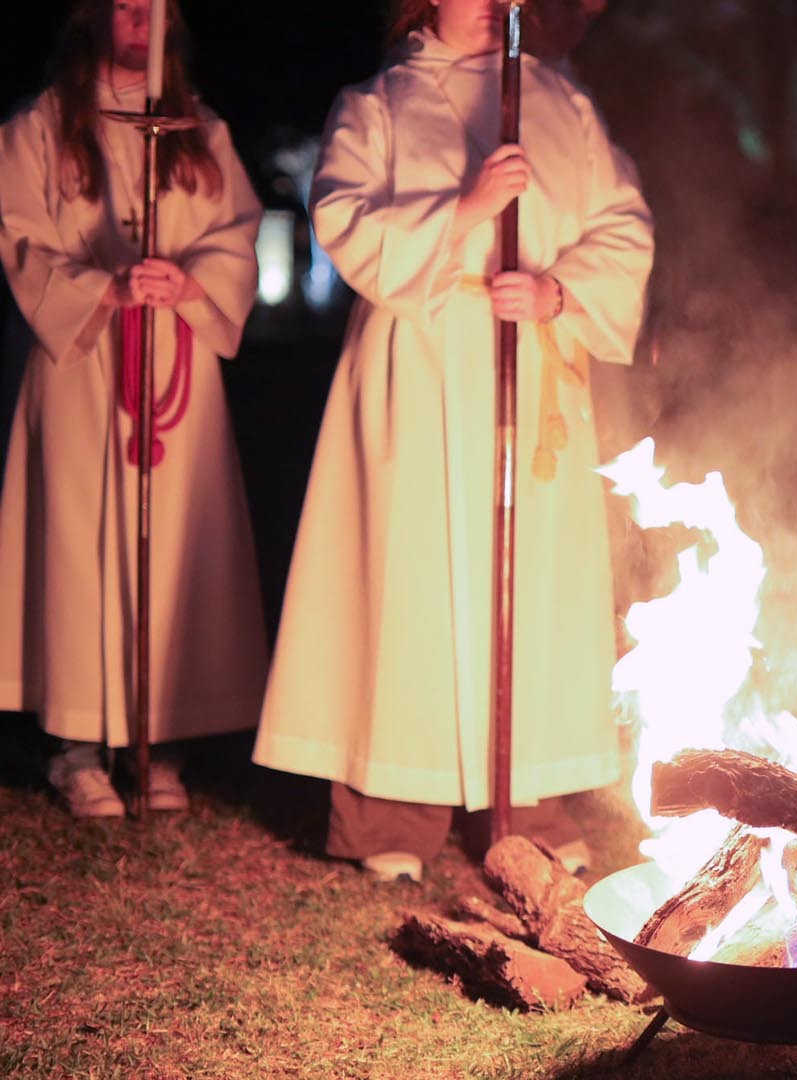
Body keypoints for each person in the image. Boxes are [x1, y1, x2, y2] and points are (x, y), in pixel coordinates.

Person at [251, 0, 655, 882]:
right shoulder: (378, 103)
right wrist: (467, 209)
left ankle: (528, 795)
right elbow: (342, 217)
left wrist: (555, 291)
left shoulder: (562, 102)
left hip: (534, 362)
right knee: (413, 582)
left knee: (532, 586)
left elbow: (622, 225)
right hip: (422, 362)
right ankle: (394, 803)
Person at [0, 0, 267, 817]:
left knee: (173, 543)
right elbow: (21, 237)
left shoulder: (200, 132)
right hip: (83, 367)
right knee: (79, 543)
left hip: (176, 360)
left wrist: (188, 281)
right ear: (93, 17)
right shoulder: (40, 128)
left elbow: (236, 234)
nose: (139, 22)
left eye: (152, 8)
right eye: (123, 6)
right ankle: (78, 745)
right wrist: (106, 287)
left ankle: (161, 739)